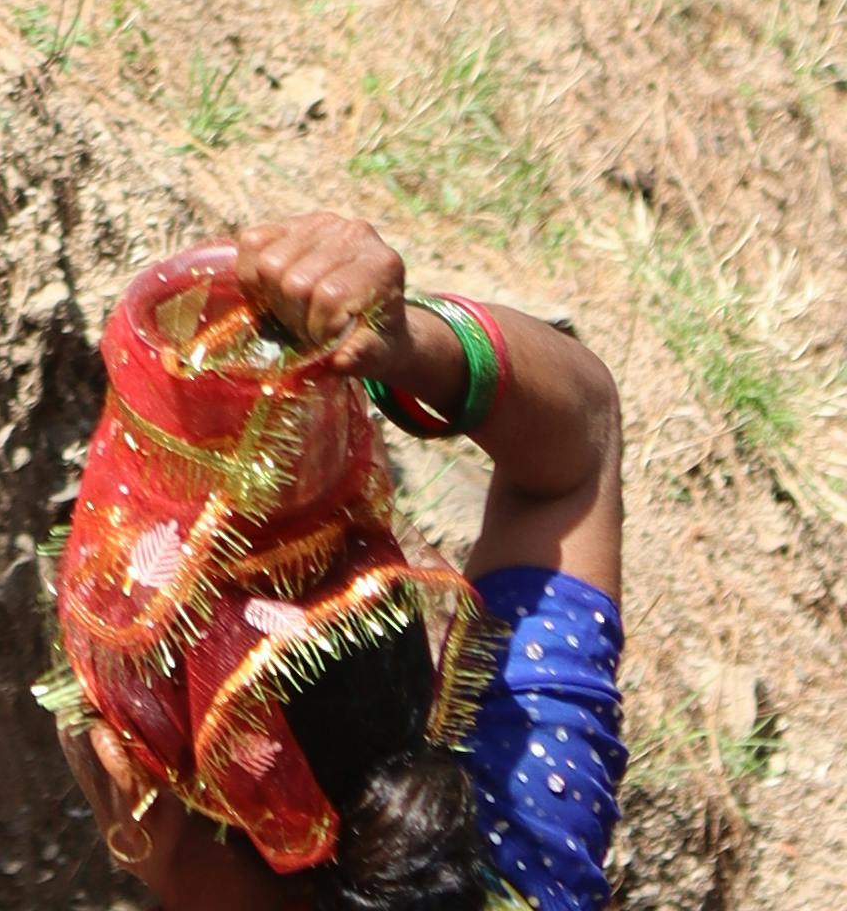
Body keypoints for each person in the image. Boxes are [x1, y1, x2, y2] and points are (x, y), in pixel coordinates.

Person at [51, 219, 620, 911]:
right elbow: (575, 452)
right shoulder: (521, 842)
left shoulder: (531, 842)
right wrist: (412, 346)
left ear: (130, 795)